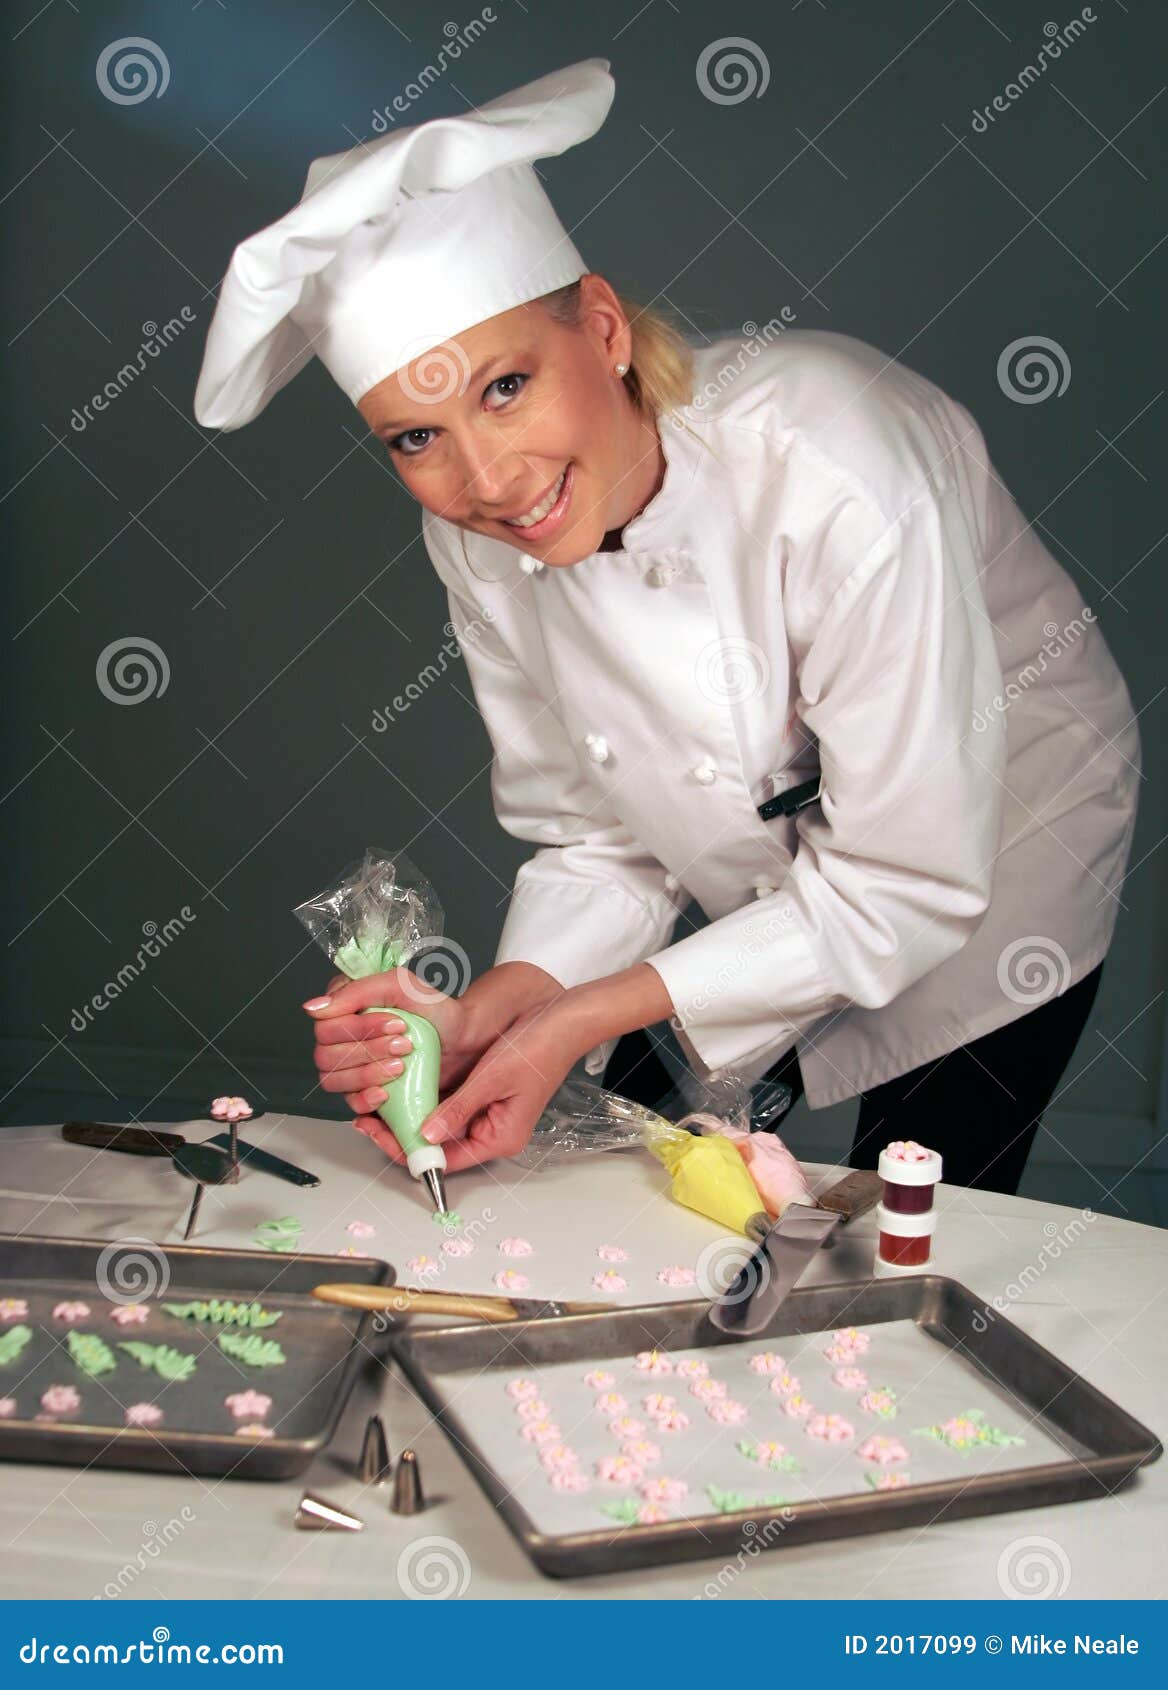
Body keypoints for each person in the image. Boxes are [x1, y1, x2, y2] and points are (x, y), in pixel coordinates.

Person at [194, 60, 1139, 1196]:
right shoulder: (481, 533)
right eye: (413, 438)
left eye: (504, 386)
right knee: (625, 1182)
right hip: (758, 857)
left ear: (601, 329)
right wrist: (507, 1005)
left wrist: (574, 1016)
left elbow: (901, 881)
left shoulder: (839, 468)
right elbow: (597, 837)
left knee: (929, 1207)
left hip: (1000, 831)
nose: (488, 478)